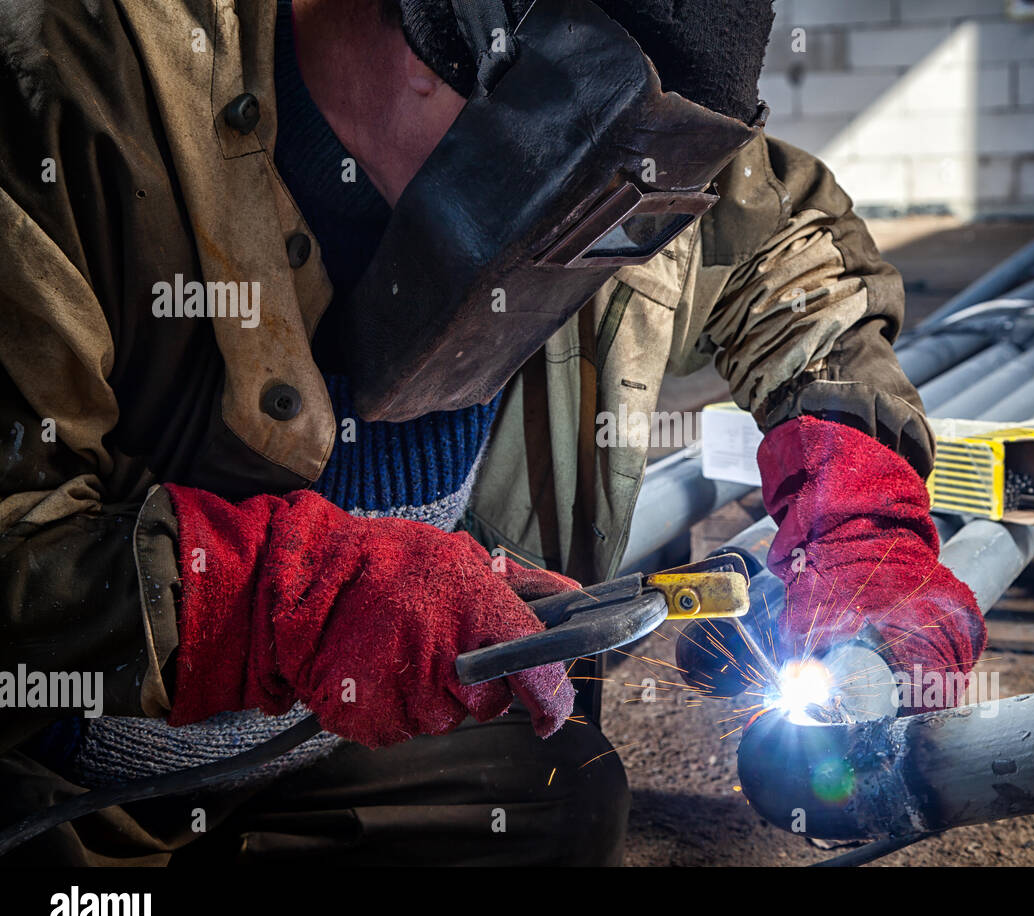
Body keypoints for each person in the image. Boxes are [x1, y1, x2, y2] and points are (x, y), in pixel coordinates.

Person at [0, 0, 984, 865]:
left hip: (322, 732)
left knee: (553, 792)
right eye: (564, 198)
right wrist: (289, 597)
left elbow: (777, 232)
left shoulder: (611, 141)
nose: (574, 256)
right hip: (74, 762)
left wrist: (861, 502)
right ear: (439, 65)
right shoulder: (66, 96)